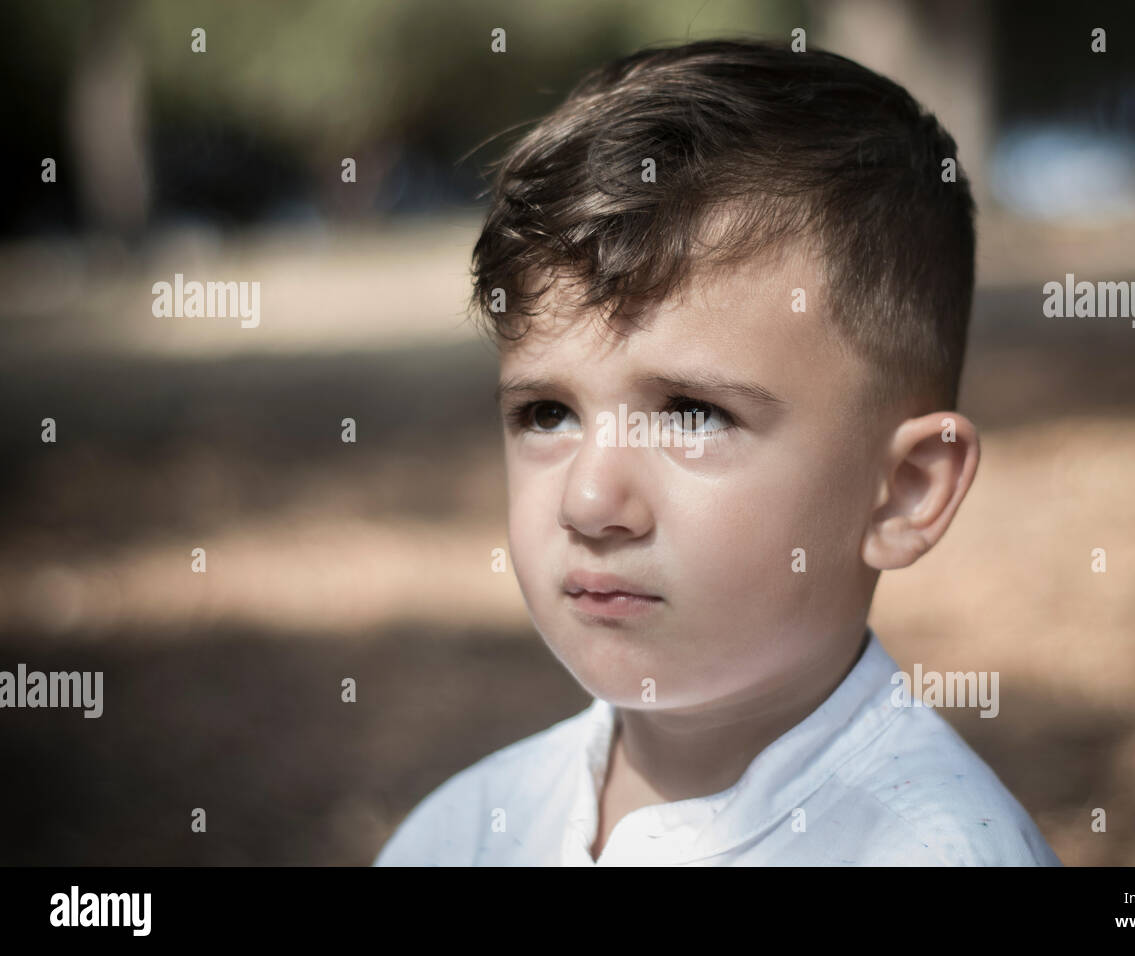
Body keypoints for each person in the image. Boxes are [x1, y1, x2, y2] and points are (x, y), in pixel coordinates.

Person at [375, 37, 1061, 866]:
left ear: (905, 492)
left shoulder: (932, 851)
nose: (588, 502)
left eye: (693, 415)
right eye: (548, 413)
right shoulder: (462, 832)